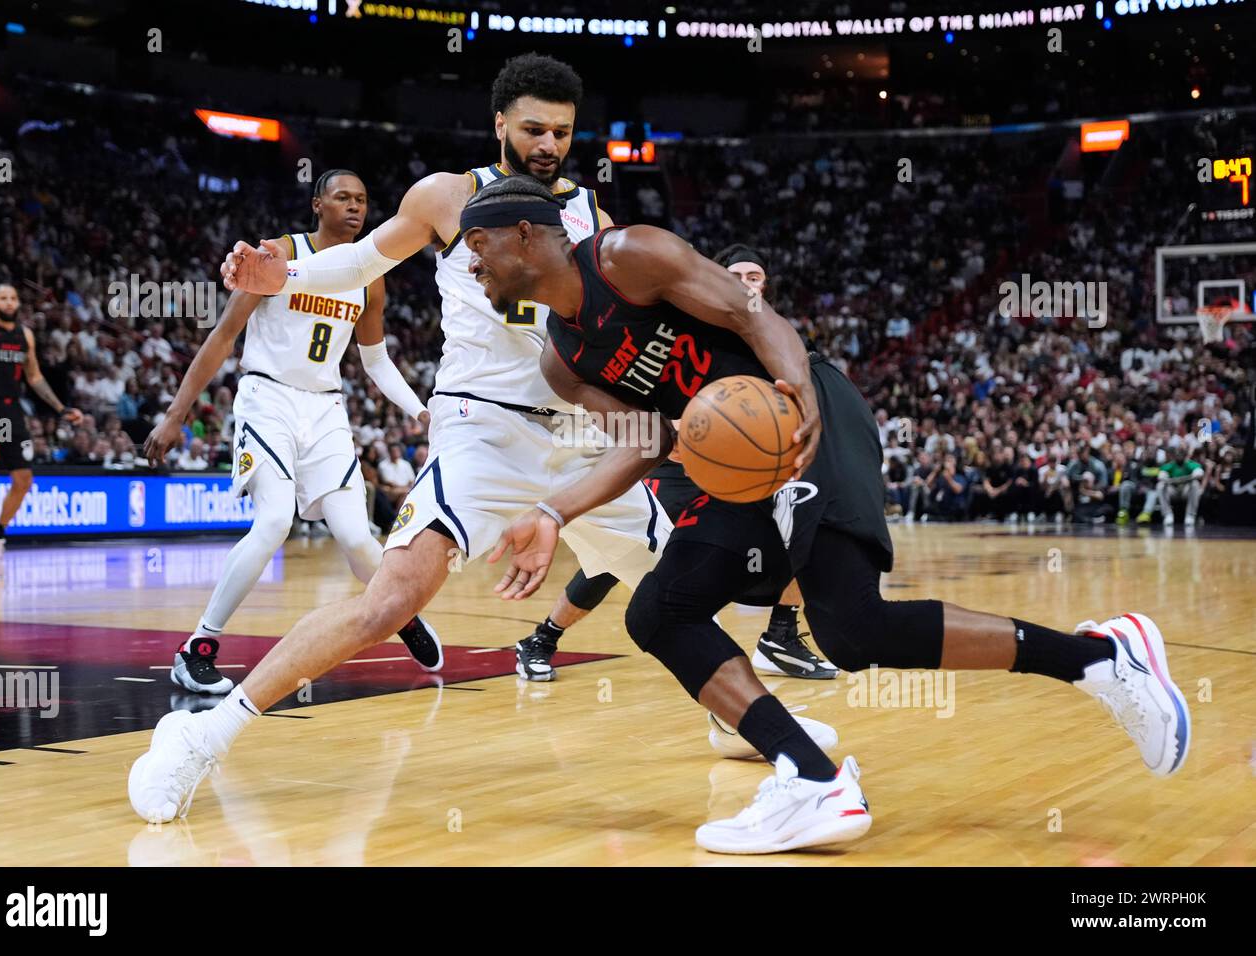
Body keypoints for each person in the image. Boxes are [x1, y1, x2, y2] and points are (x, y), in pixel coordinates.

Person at [459, 176, 1188, 854]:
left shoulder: (625, 256)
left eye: (477, 247)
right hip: (732, 460)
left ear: (525, 232)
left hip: (803, 414)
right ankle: (811, 777)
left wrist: (799, 390)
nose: (470, 266)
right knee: (659, 612)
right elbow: (648, 445)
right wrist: (553, 511)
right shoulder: (562, 360)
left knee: (850, 627)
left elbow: (753, 313)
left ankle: (1100, 661)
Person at [129, 54, 678, 824]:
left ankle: (756, 728)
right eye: (533, 129)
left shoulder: (596, 218)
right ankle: (199, 736)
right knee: (388, 600)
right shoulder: (446, 196)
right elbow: (357, 261)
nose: (549, 143)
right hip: (480, 430)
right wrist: (277, 278)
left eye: (561, 131)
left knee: (692, 583)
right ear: (499, 124)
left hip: (579, 439)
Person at [142, 169, 440, 694]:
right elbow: (224, 335)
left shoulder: (370, 273)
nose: (355, 207)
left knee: (355, 536)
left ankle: (398, 612)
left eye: (363, 200)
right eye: (342, 197)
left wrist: (420, 411)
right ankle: (197, 649)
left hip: (326, 409)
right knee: (275, 520)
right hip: (268, 397)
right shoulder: (277, 254)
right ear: (317, 204)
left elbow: (376, 361)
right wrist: (175, 413)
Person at [514, 242, 838, 682]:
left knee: (809, 526)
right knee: (629, 553)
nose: (745, 282)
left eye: (755, 277)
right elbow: (641, 412)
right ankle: (544, 636)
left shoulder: (769, 337)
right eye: (736, 275)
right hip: (673, 457)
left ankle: (780, 634)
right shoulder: (688, 312)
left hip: (741, 461)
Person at [0, 284, 82, 574]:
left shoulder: (25, 336)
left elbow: (35, 377)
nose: (9, 303)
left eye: (13, 298)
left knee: (23, 479)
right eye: (4, 298)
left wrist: (61, 408)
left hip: (10, 412)